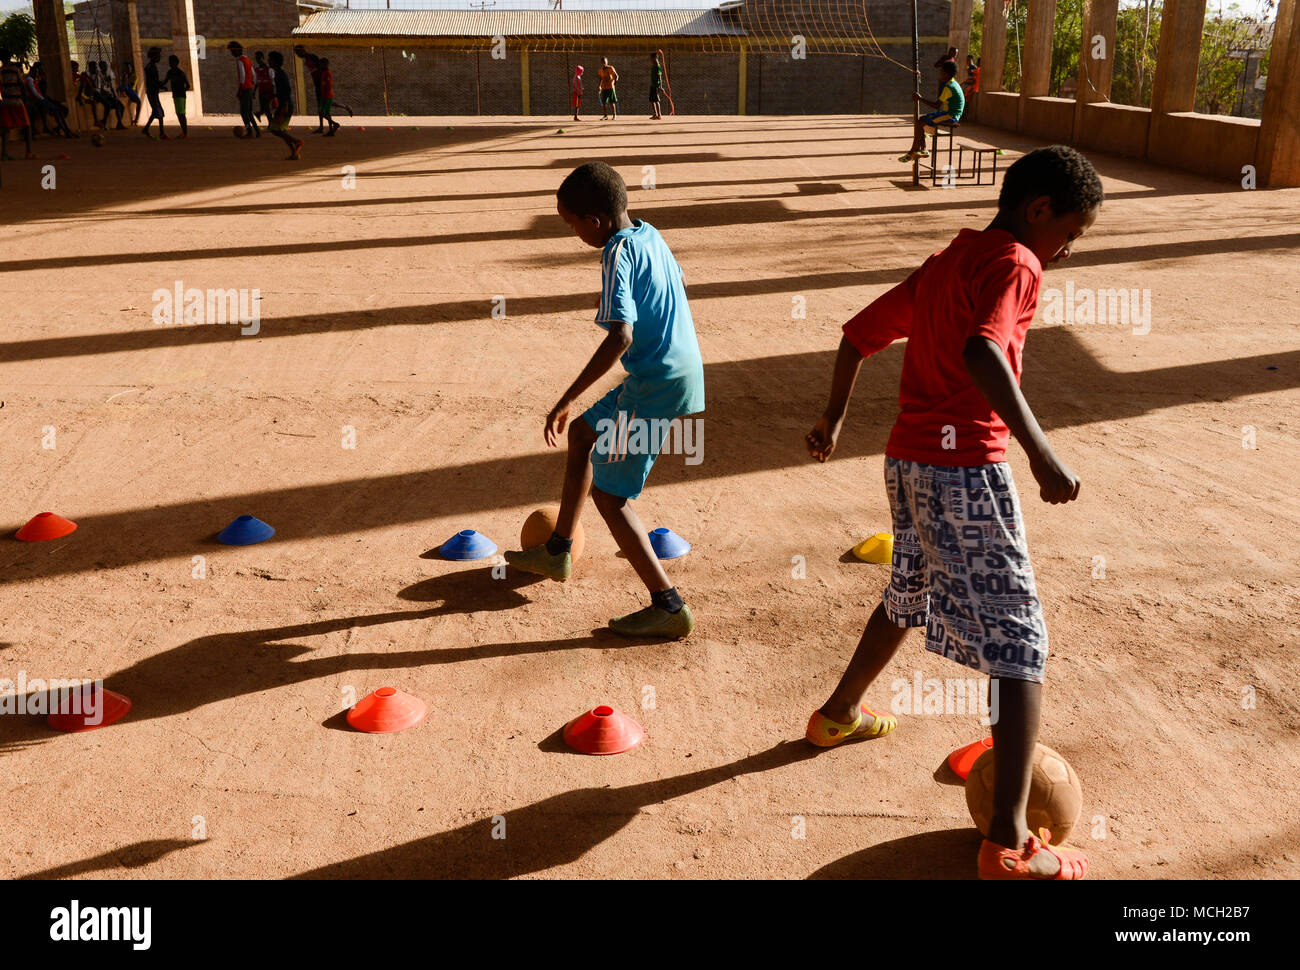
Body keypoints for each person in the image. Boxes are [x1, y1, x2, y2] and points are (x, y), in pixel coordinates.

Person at [803, 145, 1103, 880]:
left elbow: (856, 335)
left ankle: (836, 714)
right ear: (1040, 212)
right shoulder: (1015, 263)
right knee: (1020, 643)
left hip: (906, 462)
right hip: (965, 467)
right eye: (1070, 234)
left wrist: (835, 419)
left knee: (909, 593)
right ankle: (1006, 841)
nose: (1063, 253)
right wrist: (1039, 452)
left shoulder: (948, 262)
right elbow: (983, 352)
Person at [504, 162, 705, 639]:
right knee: (583, 434)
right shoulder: (650, 234)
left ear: (593, 221)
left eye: (571, 223)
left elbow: (620, 335)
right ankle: (558, 551)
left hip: (656, 385)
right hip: (674, 373)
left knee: (610, 497)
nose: (573, 233)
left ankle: (669, 605)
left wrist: (565, 396)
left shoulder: (616, 253)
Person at [899, 59, 964, 163]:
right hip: (950, 113)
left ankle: (914, 151)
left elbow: (936, 105)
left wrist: (920, 99)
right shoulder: (954, 83)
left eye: (941, 72)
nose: (940, 75)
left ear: (947, 74)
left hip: (951, 116)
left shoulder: (949, 87)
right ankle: (922, 149)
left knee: (920, 122)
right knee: (921, 121)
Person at [265, 50, 303, 161]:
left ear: (275, 61)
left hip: (285, 105)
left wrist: (284, 105)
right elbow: (282, 91)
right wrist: (273, 96)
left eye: (270, 59)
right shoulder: (279, 73)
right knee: (281, 130)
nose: (268, 61)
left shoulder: (281, 74)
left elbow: (287, 90)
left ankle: (297, 141)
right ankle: (294, 153)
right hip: (284, 104)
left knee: (274, 129)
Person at [0, 48, 35, 160]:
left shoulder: (0, 71)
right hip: (17, 101)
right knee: (27, 126)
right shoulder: (16, 70)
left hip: (5, 102)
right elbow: (22, 85)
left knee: (6, 128)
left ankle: (4, 153)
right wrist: (25, 100)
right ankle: (28, 152)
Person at [25, 63, 74, 138]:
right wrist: (44, 100)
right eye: (37, 71)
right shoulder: (30, 80)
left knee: (59, 111)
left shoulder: (35, 79)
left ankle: (66, 130)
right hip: (39, 100)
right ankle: (66, 130)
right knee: (57, 111)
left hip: (41, 99)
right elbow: (35, 93)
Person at [228, 41, 259, 138]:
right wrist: (251, 84)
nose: (231, 53)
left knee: (243, 112)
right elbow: (254, 75)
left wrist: (240, 89)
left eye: (232, 51)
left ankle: (249, 131)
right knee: (249, 111)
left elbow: (242, 76)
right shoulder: (248, 59)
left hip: (245, 89)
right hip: (249, 88)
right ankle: (257, 131)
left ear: (236, 50)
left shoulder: (240, 60)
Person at [141, 47, 167, 140]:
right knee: (159, 112)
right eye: (158, 55)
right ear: (154, 56)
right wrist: (161, 85)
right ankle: (161, 133)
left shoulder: (149, 66)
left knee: (156, 111)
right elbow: (153, 81)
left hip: (152, 91)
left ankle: (146, 128)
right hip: (152, 92)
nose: (159, 57)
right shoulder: (151, 67)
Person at [163, 54, 190, 139]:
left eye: (172, 62)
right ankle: (183, 132)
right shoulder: (170, 72)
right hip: (175, 96)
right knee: (179, 114)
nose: (170, 63)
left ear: (176, 63)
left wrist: (182, 91)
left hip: (181, 96)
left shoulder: (180, 73)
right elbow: (165, 82)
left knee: (181, 114)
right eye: (169, 62)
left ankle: (185, 133)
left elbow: (188, 85)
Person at [319, 57, 339, 136]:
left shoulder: (327, 73)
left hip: (327, 96)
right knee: (327, 113)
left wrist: (325, 97)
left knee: (322, 113)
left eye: (321, 64)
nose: (320, 66)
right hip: (327, 95)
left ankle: (334, 124)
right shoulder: (324, 73)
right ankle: (331, 130)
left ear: (325, 64)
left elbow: (328, 86)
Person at [254, 51, 275, 123]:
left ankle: (271, 123)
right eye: (256, 58)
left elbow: (273, 81)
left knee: (267, 108)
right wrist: (254, 91)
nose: (258, 60)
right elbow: (256, 82)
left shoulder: (269, 69)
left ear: (263, 58)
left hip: (268, 91)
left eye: (259, 58)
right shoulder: (256, 70)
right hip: (261, 91)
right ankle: (258, 113)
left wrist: (273, 92)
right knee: (264, 108)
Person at [120, 59, 142, 125]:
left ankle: (136, 119)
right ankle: (134, 120)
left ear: (131, 68)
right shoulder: (124, 76)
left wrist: (124, 81)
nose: (127, 69)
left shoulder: (134, 76)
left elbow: (131, 85)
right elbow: (122, 84)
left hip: (131, 91)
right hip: (126, 90)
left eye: (128, 68)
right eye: (126, 68)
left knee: (139, 102)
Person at [649, 51, 664, 120]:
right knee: (651, 100)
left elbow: (660, 77)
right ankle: (655, 114)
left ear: (655, 58)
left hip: (656, 86)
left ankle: (659, 115)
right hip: (652, 85)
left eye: (651, 58)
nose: (651, 60)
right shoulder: (653, 66)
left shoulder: (658, 66)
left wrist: (661, 86)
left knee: (656, 100)